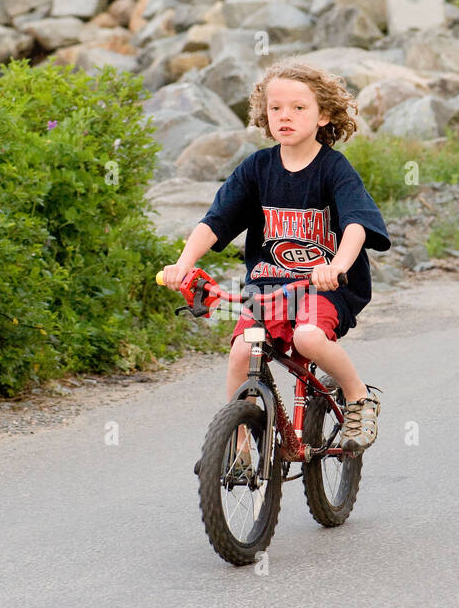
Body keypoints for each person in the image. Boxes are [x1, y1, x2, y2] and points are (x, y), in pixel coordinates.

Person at [161, 60, 392, 462]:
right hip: (268, 286)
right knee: (239, 352)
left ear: (324, 116)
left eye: (299, 108)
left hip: (325, 286)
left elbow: (356, 224)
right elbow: (215, 222)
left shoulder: (334, 169)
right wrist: (183, 263)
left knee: (307, 338)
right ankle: (239, 447)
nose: (285, 115)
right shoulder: (257, 168)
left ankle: (357, 397)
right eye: (275, 108)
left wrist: (336, 265)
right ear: (263, 116)